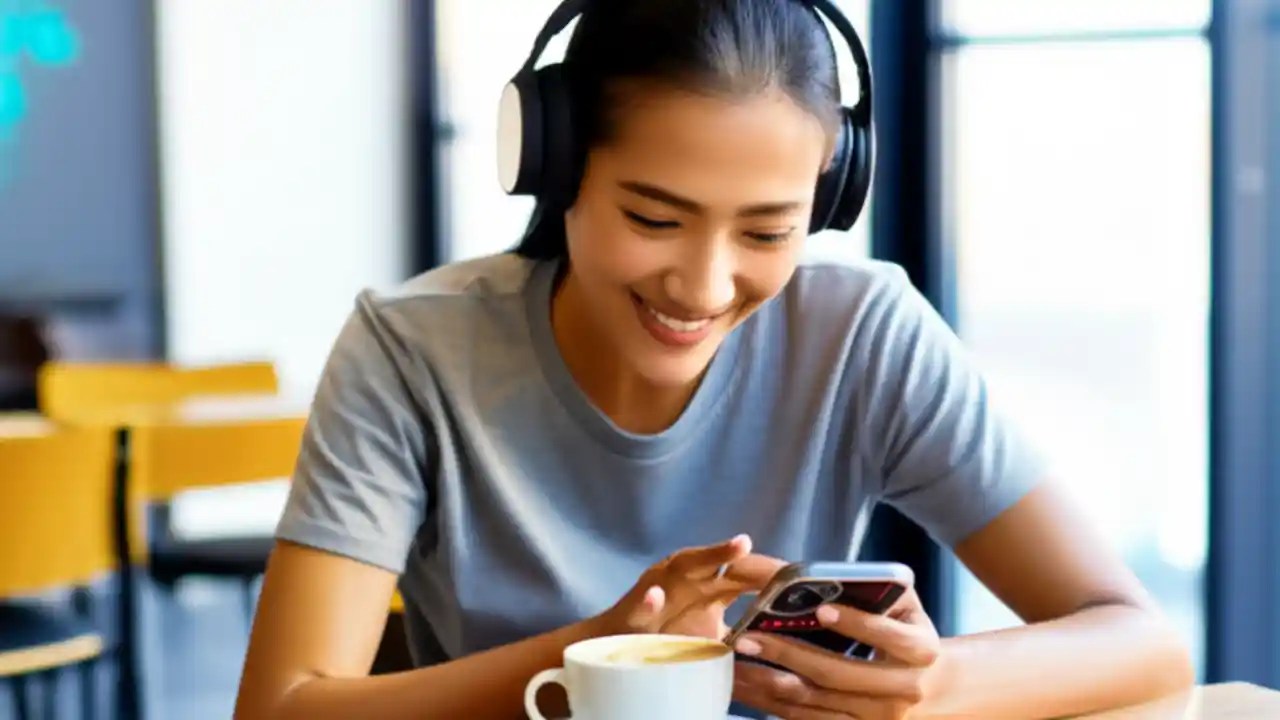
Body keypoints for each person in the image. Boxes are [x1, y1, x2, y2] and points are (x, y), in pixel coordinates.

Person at [234, 1, 1193, 718]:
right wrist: (594, 656)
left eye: (768, 233)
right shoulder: (412, 349)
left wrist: (936, 684)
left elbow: (1147, 644)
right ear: (557, 169)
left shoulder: (860, 333)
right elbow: (280, 707)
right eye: (653, 218)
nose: (702, 286)